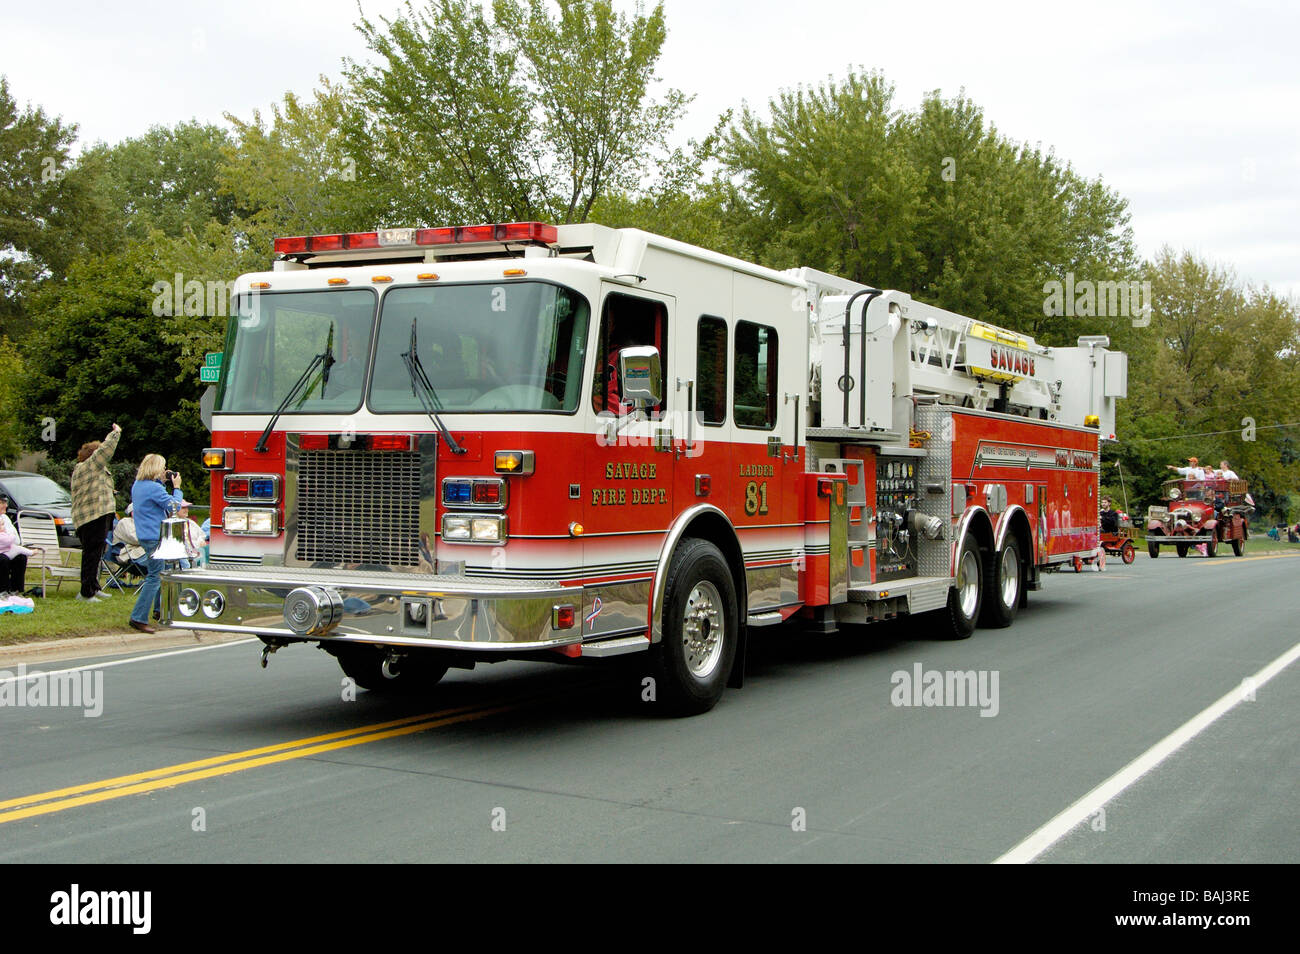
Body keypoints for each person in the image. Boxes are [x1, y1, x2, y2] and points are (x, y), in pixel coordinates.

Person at [128, 455, 183, 633]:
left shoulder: (139, 485)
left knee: (161, 573)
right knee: (154, 576)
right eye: (163, 467)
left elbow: (156, 502)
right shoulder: (153, 488)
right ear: (156, 468)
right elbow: (174, 507)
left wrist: (162, 482)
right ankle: (138, 617)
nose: (164, 470)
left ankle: (160, 610)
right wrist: (177, 488)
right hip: (155, 536)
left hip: (145, 534)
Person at [70, 423, 122, 602]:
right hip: (92, 517)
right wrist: (115, 434)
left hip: (98, 516)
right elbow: (105, 451)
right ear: (94, 455)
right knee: (91, 553)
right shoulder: (89, 466)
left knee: (96, 552)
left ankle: (93, 586)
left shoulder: (92, 470)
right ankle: (86, 593)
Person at [0, 496, 33, 597]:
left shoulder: (5, 518)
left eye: (5, 503)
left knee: (20, 557)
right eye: (2, 503)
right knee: (2, 559)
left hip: (7, 548)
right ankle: (3, 590)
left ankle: (16, 590)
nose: (5, 505)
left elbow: (16, 539)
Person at [177, 501, 206, 568]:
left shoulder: (191, 522)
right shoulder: (173, 524)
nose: (186, 510)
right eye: (183, 508)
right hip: (184, 553)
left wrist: (201, 540)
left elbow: (202, 534)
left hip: (197, 550)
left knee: (205, 550)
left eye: (187, 507)